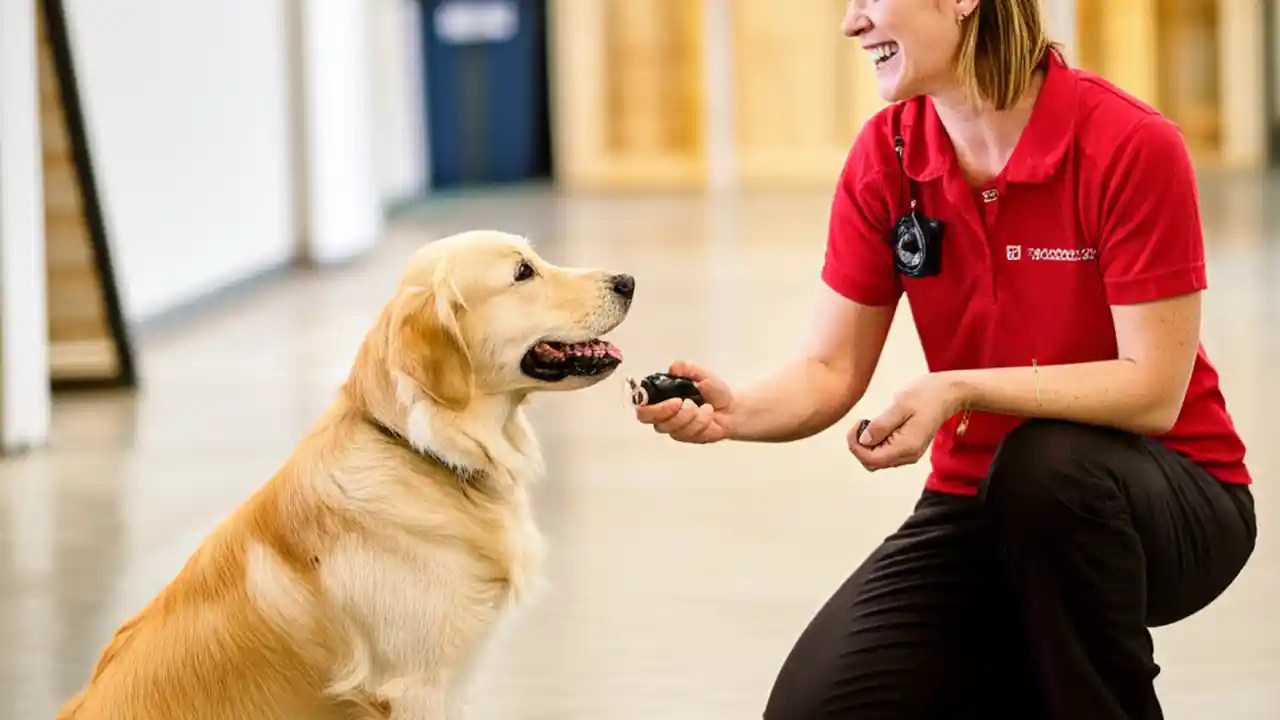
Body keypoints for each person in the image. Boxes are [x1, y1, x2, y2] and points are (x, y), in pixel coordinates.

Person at [634, 0, 1257, 717]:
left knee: (1048, 468)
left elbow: (1152, 390)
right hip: (980, 501)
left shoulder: (1129, 144)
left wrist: (958, 388)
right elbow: (830, 368)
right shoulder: (886, 155)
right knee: (814, 709)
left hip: (1173, 497)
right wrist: (735, 410)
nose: (851, 22)